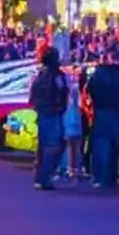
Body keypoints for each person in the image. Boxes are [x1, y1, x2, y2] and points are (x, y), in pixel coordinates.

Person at [85, 46, 119, 188]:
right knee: (115, 146)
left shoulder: (100, 73)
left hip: (101, 112)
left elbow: (90, 90)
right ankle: (112, 177)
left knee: (101, 146)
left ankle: (100, 178)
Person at [29, 47, 69, 191]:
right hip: (53, 112)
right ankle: (45, 178)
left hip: (42, 112)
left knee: (43, 146)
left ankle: (40, 177)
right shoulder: (57, 76)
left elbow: (33, 94)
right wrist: (61, 107)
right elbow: (62, 92)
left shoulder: (40, 76)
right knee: (53, 146)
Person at [62, 71, 85, 179]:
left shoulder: (69, 88)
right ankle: (73, 168)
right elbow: (79, 104)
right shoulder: (76, 90)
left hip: (69, 117)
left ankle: (71, 167)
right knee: (74, 144)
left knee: (71, 144)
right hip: (74, 117)